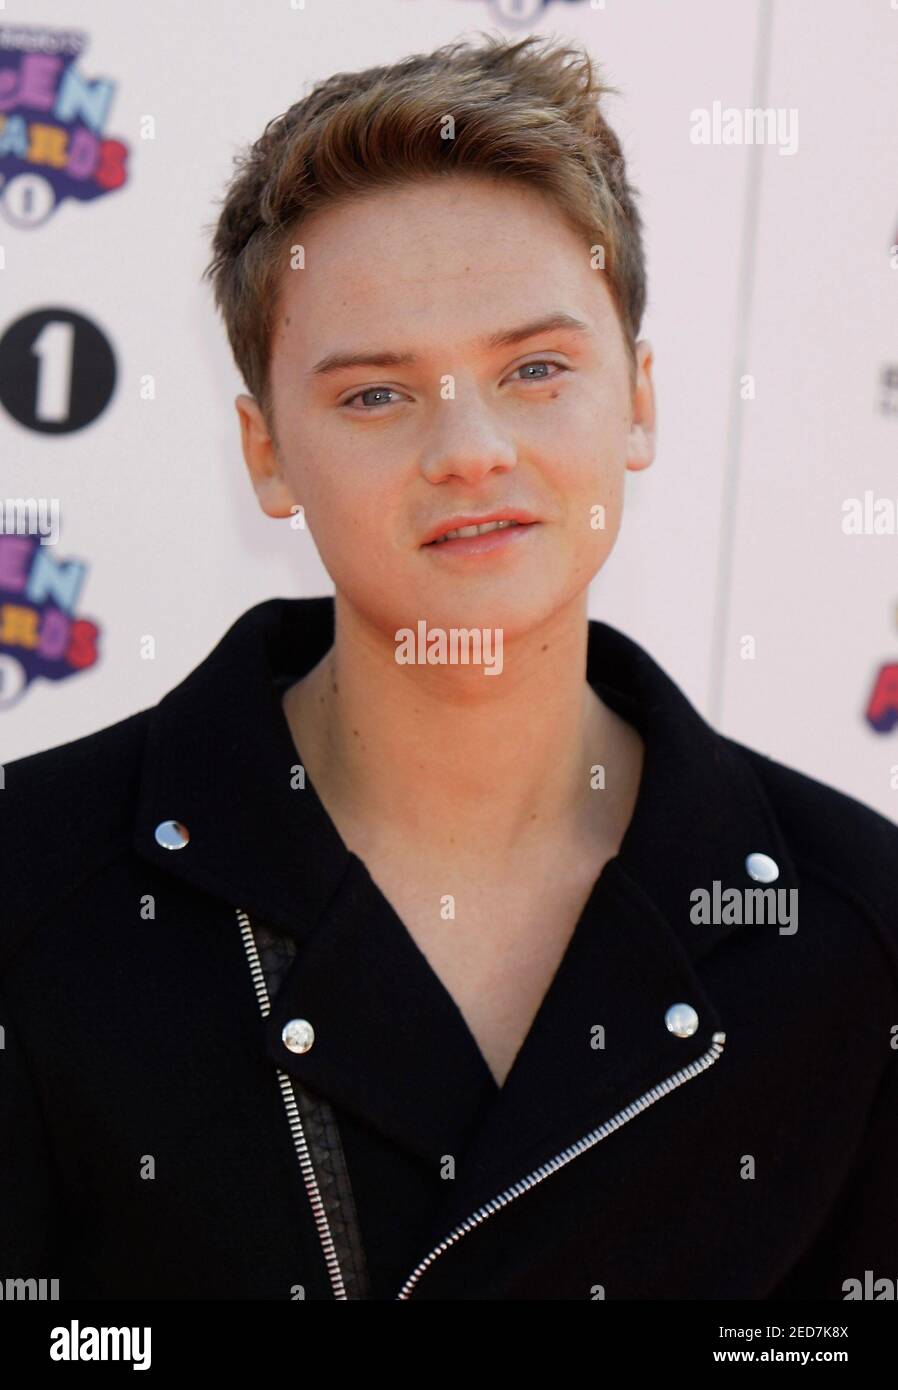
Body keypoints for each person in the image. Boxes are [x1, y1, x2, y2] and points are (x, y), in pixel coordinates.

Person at [1, 33, 897, 1303]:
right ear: (264, 453)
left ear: (637, 400)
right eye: (375, 395)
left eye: (535, 369)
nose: (470, 449)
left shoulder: (849, 924)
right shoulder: (37, 882)